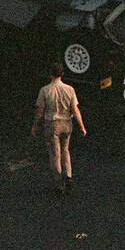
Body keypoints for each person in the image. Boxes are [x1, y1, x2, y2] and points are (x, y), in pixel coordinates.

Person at [31, 62, 86, 194]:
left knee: (55, 154)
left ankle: (59, 184)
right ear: (62, 74)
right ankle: (68, 176)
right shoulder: (70, 89)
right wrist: (82, 127)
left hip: (52, 124)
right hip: (67, 123)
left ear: (51, 74)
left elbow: (39, 111)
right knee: (65, 150)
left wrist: (35, 126)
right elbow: (75, 109)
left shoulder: (45, 90)